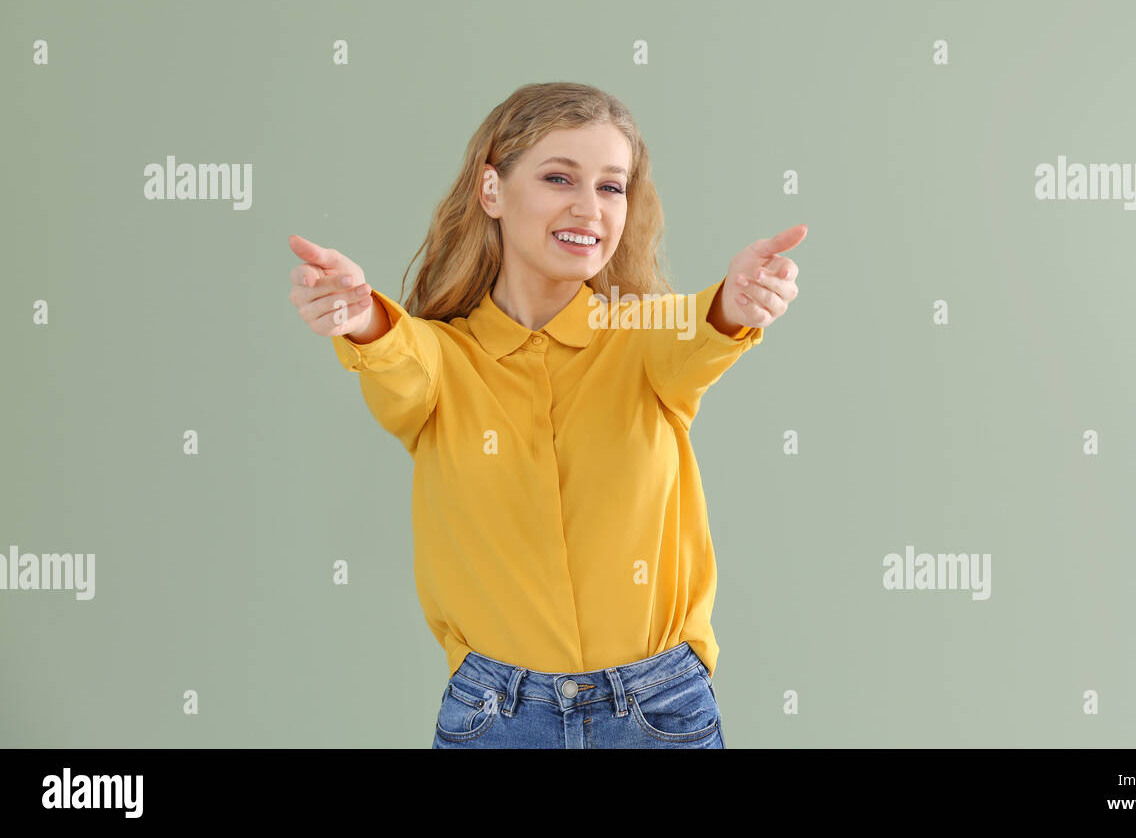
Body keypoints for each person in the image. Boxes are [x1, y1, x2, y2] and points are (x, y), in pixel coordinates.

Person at [287, 82, 804, 748]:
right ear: (492, 190)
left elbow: (701, 327)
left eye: (612, 187)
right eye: (560, 177)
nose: (589, 208)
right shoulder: (445, 360)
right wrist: (358, 317)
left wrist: (738, 298)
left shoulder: (644, 338)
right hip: (496, 718)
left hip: (659, 712)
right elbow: (397, 355)